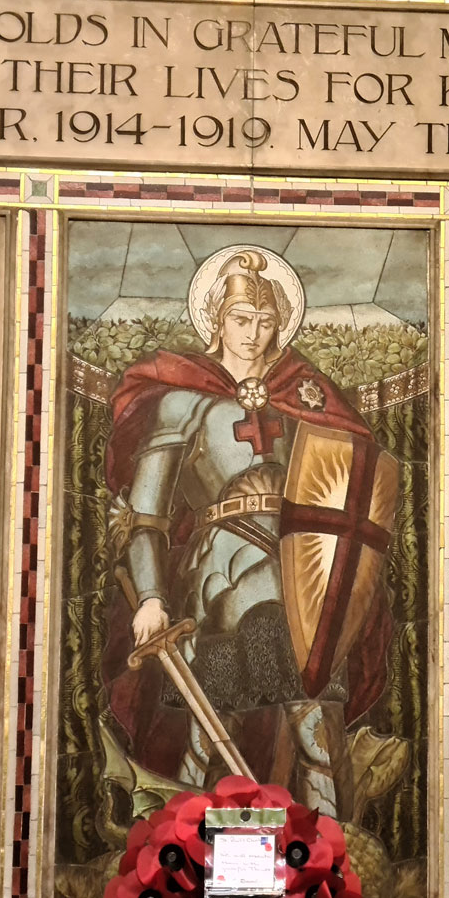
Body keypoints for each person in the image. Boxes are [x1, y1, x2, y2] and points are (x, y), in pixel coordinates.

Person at [100, 246, 393, 817]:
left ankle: (327, 859)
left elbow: (352, 494)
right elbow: (146, 517)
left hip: (300, 574)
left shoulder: (307, 397)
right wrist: (153, 598)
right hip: (219, 575)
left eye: (265, 322)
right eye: (241, 319)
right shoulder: (182, 399)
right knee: (208, 734)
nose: (253, 334)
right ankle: (185, 852)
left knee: (316, 733)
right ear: (216, 320)